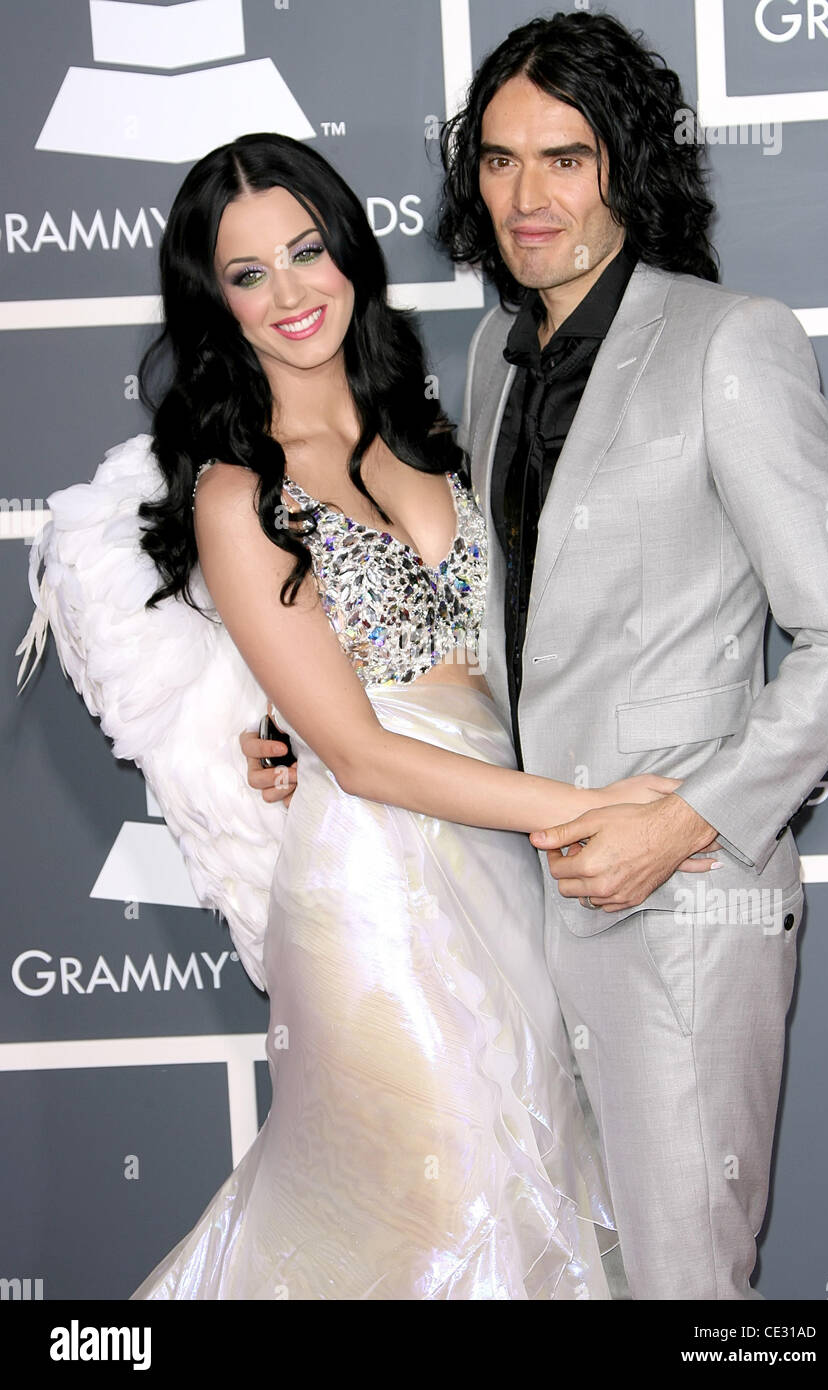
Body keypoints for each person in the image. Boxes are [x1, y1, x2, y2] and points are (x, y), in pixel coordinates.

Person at [15, 130, 719, 1300]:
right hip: (377, 898)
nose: (292, 292)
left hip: (515, 871)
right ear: (214, 304)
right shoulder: (237, 490)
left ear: (348, 251)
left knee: (544, 1190)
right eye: (249, 274)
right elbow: (352, 749)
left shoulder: (433, 434)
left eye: (306, 250)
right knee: (437, 1217)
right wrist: (588, 809)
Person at [248, 11, 828, 1300]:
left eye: (566, 158)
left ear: (625, 168)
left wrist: (692, 818)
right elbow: (487, 624)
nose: (527, 198)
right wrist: (309, 723)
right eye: (498, 159)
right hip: (507, 910)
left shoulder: (729, 340)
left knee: (686, 1285)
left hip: (684, 904)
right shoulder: (489, 355)